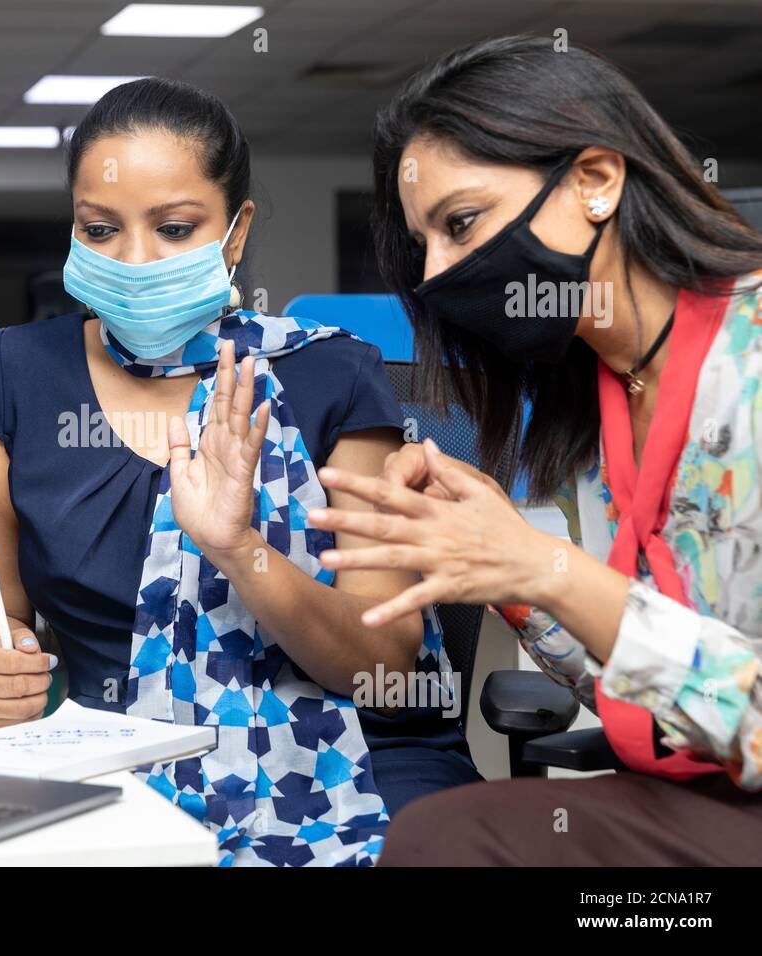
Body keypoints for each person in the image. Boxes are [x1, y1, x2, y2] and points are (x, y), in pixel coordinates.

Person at [0, 77, 480, 866]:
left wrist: (239, 550)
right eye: (100, 229)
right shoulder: (16, 374)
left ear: (235, 232)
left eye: (173, 227)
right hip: (115, 753)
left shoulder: (331, 375)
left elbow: (385, 666)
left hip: (354, 753)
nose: (133, 259)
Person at [306, 36, 762, 864]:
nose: (440, 272)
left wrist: (543, 567)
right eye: (425, 248)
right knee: (440, 834)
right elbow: (649, 686)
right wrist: (502, 570)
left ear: (594, 181)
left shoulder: (750, 363)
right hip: (691, 795)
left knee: (450, 840)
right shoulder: (607, 397)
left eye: (462, 223)